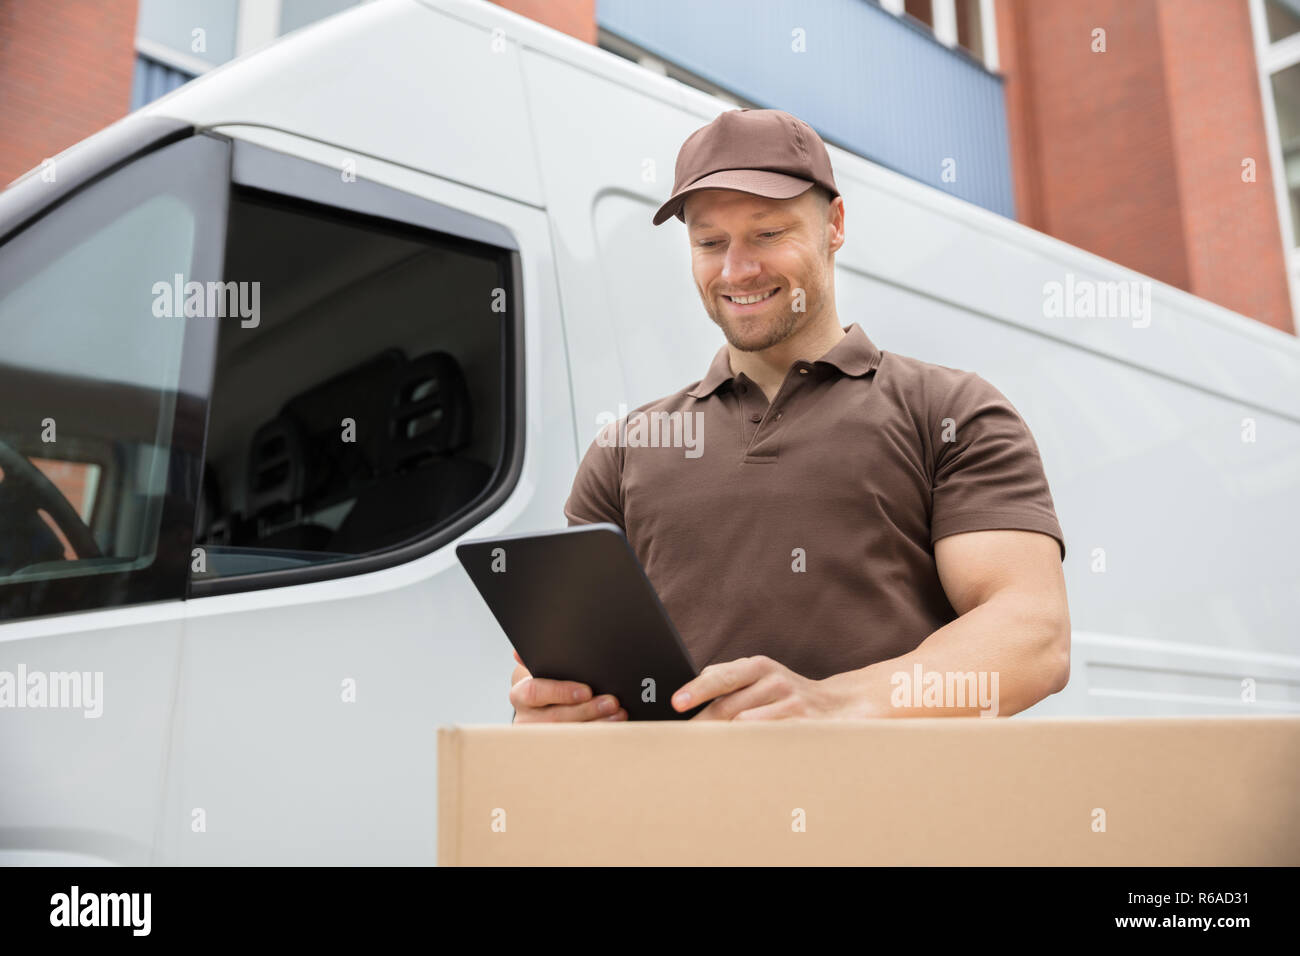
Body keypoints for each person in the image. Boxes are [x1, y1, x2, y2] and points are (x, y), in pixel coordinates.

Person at [510, 108, 1070, 722]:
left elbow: (1032, 637)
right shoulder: (626, 448)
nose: (736, 270)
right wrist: (546, 713)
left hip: (889, 815)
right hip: (675, 815)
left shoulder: (950, 412)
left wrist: (830, 704)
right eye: (709, 242)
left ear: (835, 224)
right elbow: (556, 663)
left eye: (768, 234)